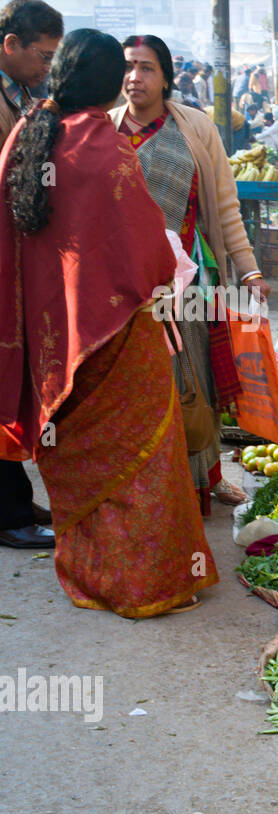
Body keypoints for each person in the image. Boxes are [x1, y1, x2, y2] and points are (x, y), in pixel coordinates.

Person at [0, 28, 218, 616]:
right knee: (143, 457)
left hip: (54, 342)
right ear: (105, 84)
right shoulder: (101, 145)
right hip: (116, 332)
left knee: (80, 453)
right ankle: (144, 583)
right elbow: (142, 248)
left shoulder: (29, 133)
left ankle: (89, 574)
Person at [112, 34, 270, 511]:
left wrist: (248, 272)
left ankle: (206, 475)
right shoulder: (103, 129)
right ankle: (147, 481)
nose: (134, 77)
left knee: (195, 375)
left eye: (146, 67)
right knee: (140, 383)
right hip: (125, 286)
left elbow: (225, 207)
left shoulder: (196, 127)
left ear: (165, 76)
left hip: (189, 282)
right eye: (128, 67)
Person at [0, 0, 60, 551]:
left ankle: (14, 496)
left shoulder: (24, 92)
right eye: (40, 55)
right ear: (10, 45)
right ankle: (7, 512)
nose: (46, 66)